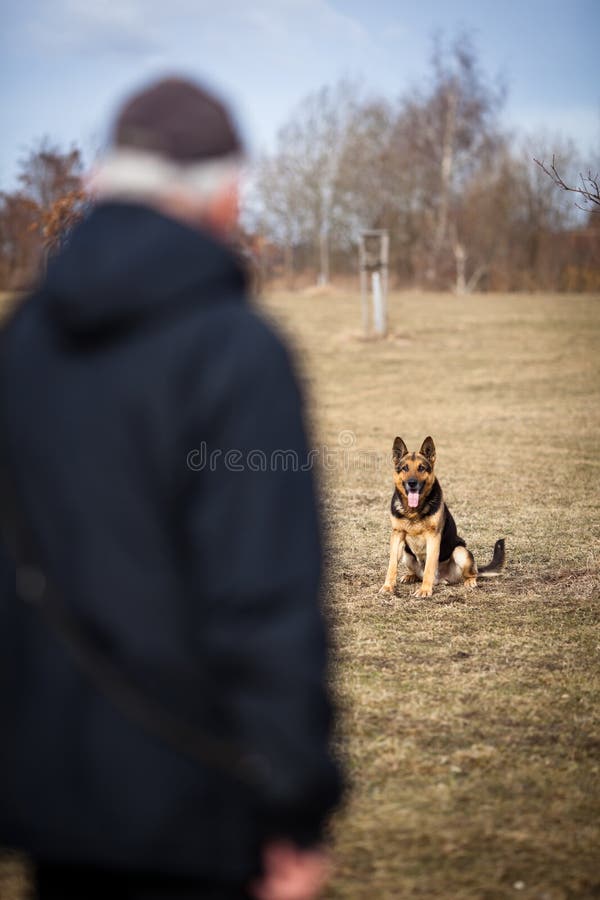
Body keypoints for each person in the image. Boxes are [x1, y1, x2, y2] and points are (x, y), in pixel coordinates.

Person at [0, 77, 342, 900]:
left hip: (52, 804)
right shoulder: (235, 351)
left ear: (100, 184)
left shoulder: (23, 344)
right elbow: (263, 598)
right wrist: (294, 803)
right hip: (197, 807)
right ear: (225, 192)